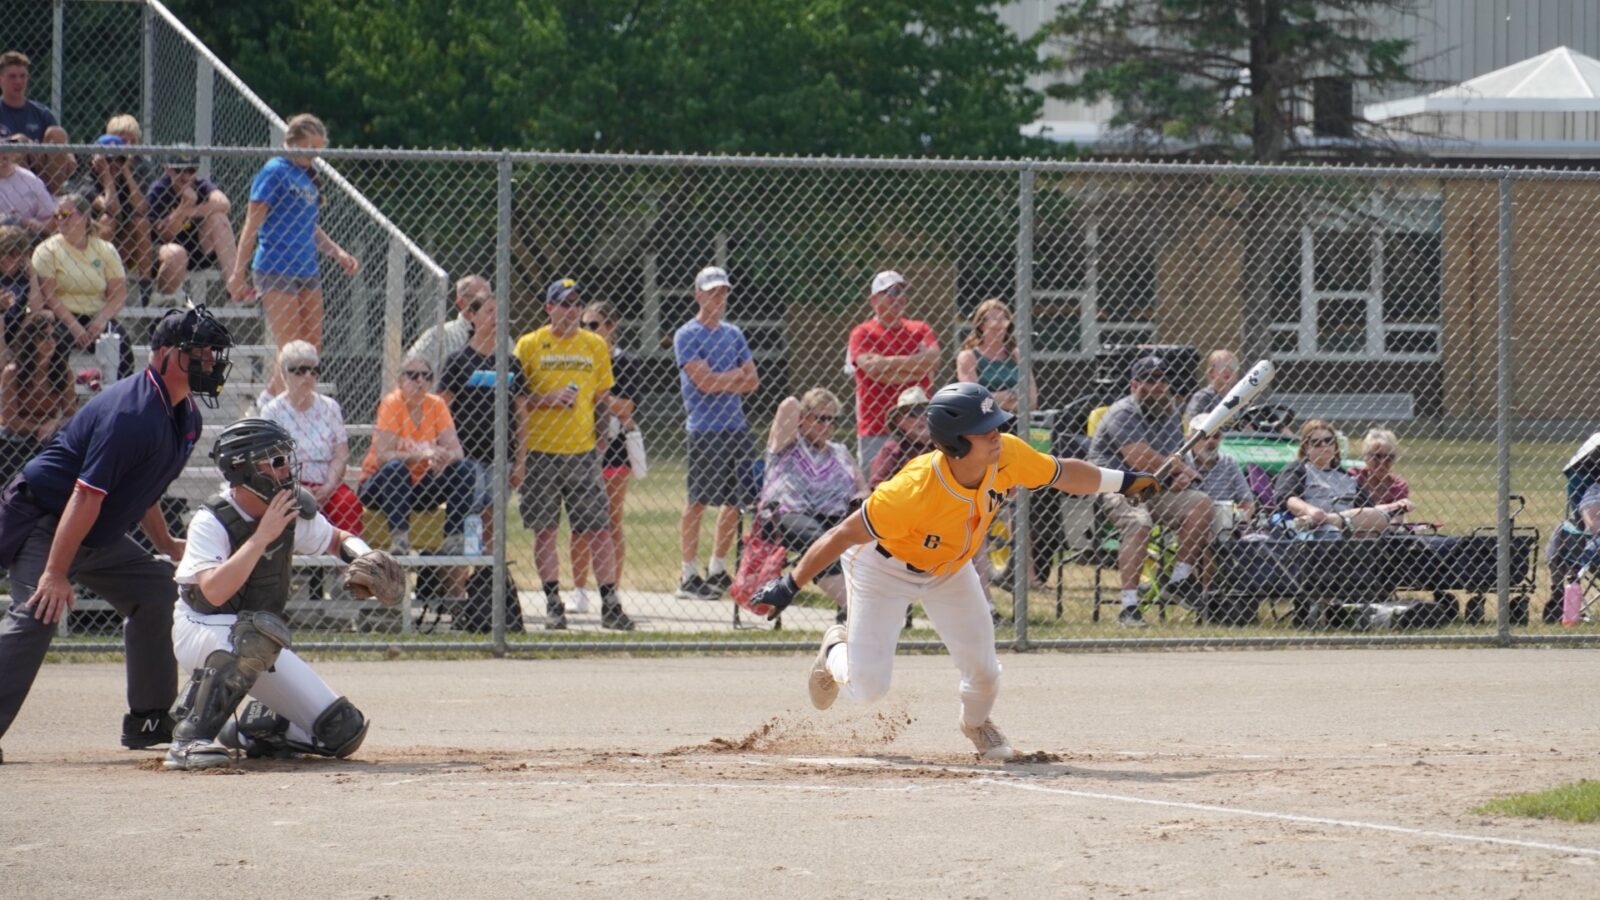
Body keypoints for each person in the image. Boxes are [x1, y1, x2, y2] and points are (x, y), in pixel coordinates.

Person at [749, 382, 1160, 760]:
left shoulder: (1009, 455)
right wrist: (789, 584)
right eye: (985, 430)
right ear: (955, 442)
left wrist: (1124, 482)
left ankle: (976, 725)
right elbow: (841, 536)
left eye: (996, 424)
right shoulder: (910, 493)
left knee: (985, 670)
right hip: (884, 569)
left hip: (950, 568)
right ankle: (835, 651)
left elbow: (1063, 473)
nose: (997, 434)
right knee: (868, 687)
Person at [0, 305, 232, 765]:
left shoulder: (186, 416)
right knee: (39, 612)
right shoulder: (132, 413)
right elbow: (83, 497)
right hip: (47, 519)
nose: (208, 361)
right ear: (163, 354)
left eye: (211, 352)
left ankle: (148, 718)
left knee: (156, 592)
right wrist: (54, 573)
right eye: (197, 352)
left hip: (93, 532)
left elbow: (143, 488)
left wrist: (165, 545)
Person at [164, 418, 394, 769]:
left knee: (342, 731)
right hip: (200, 628)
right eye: (275, 462)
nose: (286, 469)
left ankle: (256, 730)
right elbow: (212, 592)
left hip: (256, 636)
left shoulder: (288, 508)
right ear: (242, 469)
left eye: (286, 459)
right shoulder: (213, 520)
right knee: (254, 637)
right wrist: (260, 538)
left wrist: (366, 558)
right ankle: (188, 740)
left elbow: (336, 539)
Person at [514, 279, 634, 631]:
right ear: (549, 308)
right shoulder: (530, 344)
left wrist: (599, 442)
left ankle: (610, 603)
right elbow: (517, 400)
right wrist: (547, 400)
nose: (570, 310)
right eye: (562, 304)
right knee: (546, 531)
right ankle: (554, 603)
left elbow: (600, 397)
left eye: (574, 304)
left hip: (582, 453)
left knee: (599, 529)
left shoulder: (595, 345)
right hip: (539, 452)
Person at [228, 113, 360, 405]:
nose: (315, 154)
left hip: (306, 266)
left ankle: (270, 400)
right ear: (293, 142)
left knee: (311, 346)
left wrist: (336, 251)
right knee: (289, 346)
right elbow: (252, 223)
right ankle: (271, 407)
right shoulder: (274, 171)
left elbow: (309, 224)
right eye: (310, 147)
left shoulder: (307, 175)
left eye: (319, 148)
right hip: (276, 265)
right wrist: (239, 272)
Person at [1088, 354, 1215, 625]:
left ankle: (1179, 579)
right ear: (1135, 384)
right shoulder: (1123, 412)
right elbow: (1140, 459)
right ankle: (1129, 607)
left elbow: (1171, 459)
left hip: (1154, 486)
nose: (1158, 386)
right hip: (1116, 483)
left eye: (1162, 380)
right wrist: (1178, 470)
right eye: (1150, 380)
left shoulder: (1169, 412)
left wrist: (1178, 478)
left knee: (1201, 503)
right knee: (1140, 523)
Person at [357, 355, 482, 590]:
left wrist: (444, 458)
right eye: (413, 375)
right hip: (380, 487)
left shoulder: (436, 404)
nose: (420, 381)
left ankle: (453, 538)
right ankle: (399, 538)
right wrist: (423, 455)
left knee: (464, 469)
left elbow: (457, 450)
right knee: (397, 469)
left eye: (426, 376)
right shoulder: (392, 403)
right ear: (400, 380)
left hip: (419, 486)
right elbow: (384, 455)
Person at [438, 285, 529, 604]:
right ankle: (456, 592)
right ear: (472, 317)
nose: (496, 318)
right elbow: (442, 408)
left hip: (499, 457)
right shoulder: (458, 360)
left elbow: (521, 413)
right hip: (467, 460)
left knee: (492, 523)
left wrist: (520, 461)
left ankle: (488, 595)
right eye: (489, 312)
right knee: (466, 522)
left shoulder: (511, 363)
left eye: (499, 313)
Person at [673, 266, 759, 601]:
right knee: (697, 502)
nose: (718, 298)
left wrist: (725, 377)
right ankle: (688, 574)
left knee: (735, 502)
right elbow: (702, 383)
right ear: (698, 295)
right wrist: (734, 375)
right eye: (712, 292)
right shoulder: (687, 334)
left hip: (735, 427)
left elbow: (753, 382)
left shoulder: (733, 334)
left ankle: (717, 568)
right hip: (705, 430)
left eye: (723, 292)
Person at [759, 389, 866, 616]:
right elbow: (788, 403)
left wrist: (860, 502)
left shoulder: (840, 451)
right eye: (820, 418)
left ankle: (861, 608)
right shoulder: (786, 444)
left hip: (835, 516)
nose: (827, 425)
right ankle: (854, 608)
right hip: (788, 514)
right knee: (821, 540)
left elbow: (862, 488)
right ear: (803, 417)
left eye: (832, 420)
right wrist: (802, 411)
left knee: (868, 536)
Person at [568, 300, 639, 611]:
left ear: (612, 328)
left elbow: (626, 408)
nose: (588, 331)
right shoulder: (580, 359)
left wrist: (598, 395)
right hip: (580, 447)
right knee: (580, 524)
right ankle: (579, 591)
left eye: (594, 325)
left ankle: (611, 592)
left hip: (614, 451)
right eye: (584, 325)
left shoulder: (624, 363)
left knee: (610, 522)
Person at [260, 341, 362, 537]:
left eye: (313, 370)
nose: (307, 376)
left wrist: (329, 486)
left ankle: (346, 566)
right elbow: (269, 458)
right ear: (284, 374)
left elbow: (341, 454)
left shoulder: (330, 407)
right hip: (287, 483)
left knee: (348, 503)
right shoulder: (272, 410)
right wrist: (295, 486)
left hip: (326, 482)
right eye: (299, 370)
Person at [32, 192, 135, 378]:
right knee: (57, 342)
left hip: (96, 316)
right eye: (57, 215)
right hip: (61, 318)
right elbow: (49, 295)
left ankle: (123, 397)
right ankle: (62, 397)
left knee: (122, 343)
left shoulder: (105, 249)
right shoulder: (47, 249)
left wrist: (102, 319)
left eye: (66, 214)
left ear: (85, 217)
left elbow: (118, 294)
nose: (60, 220)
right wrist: (74, 327)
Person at [847, 269, 940, 469]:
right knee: (877, 490)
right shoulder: (862, 332)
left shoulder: (920, 328)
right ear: (873, 300)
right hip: (876, 428)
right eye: (891, 292)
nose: (898, 298)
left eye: (901, 291)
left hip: (920, 430)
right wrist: (916, 366)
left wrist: (885, 365)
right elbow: (871, 368)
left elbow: (933, 360)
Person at [1272, 419, 1413, 537]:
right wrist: (1310, 511)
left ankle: (1330, 519)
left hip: (1349, 526)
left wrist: (1395, 506)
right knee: (1333, 531)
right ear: (1306, 446)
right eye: (1316, 442)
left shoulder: (1347, 476)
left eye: (1329, 440)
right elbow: (1286, 497)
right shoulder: (1299, 469)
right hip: (1315, 528)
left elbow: (1369, 510)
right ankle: (1328, 521)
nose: (1324, 445)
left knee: (1381, 518)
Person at [146, 147, 236, 306]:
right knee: (176, 254)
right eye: (179, 170)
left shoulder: (200, 184)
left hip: (197, 250)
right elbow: (166, 236)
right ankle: (164, 303)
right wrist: (183, 206)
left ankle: (234, 288)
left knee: (219, 218)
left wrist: (190, 211)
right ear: (168, 169)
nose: (185, 176)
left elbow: (224, 204)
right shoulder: (159, 190)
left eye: (190, 170)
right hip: (168, 254)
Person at [72, 118, 157, 282]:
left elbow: (141, 209)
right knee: (108, 220)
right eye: (109, 160)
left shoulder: (135, 172)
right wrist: (106, 175)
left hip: (126, 244)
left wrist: (126, 171)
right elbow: (112, 210)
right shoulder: (89, 181)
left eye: (119, 159)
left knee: (141, 222)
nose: (114, 164)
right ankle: (94, 279)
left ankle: (146, 290)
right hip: (92, 245)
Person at [0, 312, 74, 485]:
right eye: (42, 336)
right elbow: (10, 420)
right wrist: (39, 428)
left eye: (54, 336)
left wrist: (53, 424)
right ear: (30, 340)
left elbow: (71, 414)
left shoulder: (63, 372)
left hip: (48, 436)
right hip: (14, 438)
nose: (50, 342)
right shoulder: (13, 372)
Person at [0, 51, 74, 194]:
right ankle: (23, 198)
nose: (19, 81)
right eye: (12, 77)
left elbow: (69, 158)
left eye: (23, 76)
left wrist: (35, 149)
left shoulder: (41, 113)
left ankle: (52, 199)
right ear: (1, 79)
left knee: (56, 133)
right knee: (17, 143)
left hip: (42, 174)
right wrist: (20, 143)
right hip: (6, 175)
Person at [955, 299, 1036, 414]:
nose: (998, 326)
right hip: (984, 424)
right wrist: (1008, 395)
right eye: (993, 321)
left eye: (1003, 321)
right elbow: (972, 401)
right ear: (981, 325)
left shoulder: (1017, 355)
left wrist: (990, 398)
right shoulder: (968, 357)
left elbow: (1032, 401)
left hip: (1017, 421)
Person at [410, 274, 491, 383]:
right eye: (480, 299)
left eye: (489, 298)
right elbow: (410, 370)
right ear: (461, 302)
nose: (487, 304)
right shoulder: (439, 335)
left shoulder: (504, 340)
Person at [1189, 415, 1257, 520]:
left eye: (1216, 436)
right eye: (1205, 437)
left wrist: (1237, 519)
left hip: (1223, 524)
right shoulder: (1182, 462)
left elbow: (1247, 502)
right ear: (1190, 439)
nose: (1211, 441)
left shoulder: (1228, 462)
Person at [868, 386, 933, 489]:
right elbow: (877, 485)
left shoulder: (943, 446)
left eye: (926, 411)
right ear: (900, 422)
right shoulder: (893, 450)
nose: (922, 417)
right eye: (914, 413)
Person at [0, 127, 53, 238]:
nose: (2, 154)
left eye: (5, 148)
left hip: (25, 239)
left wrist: (37, 225)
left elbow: (51, 217)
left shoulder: (30, 180)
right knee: (9, 221)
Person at [1351, 428, 1409, 507]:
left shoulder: (1398, 486)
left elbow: (1397, 516)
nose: (1382, 462)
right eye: (1377, 456)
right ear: (1365, 456)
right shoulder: (1353, 476)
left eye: (1389, 457)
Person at [1185, 350, 1239, 424]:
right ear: (1211, 372)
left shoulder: (1240, 396)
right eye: (1221, 366)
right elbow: (1193, 423)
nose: (1227, 370)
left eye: (1232, 366)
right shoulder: (1202, 397)